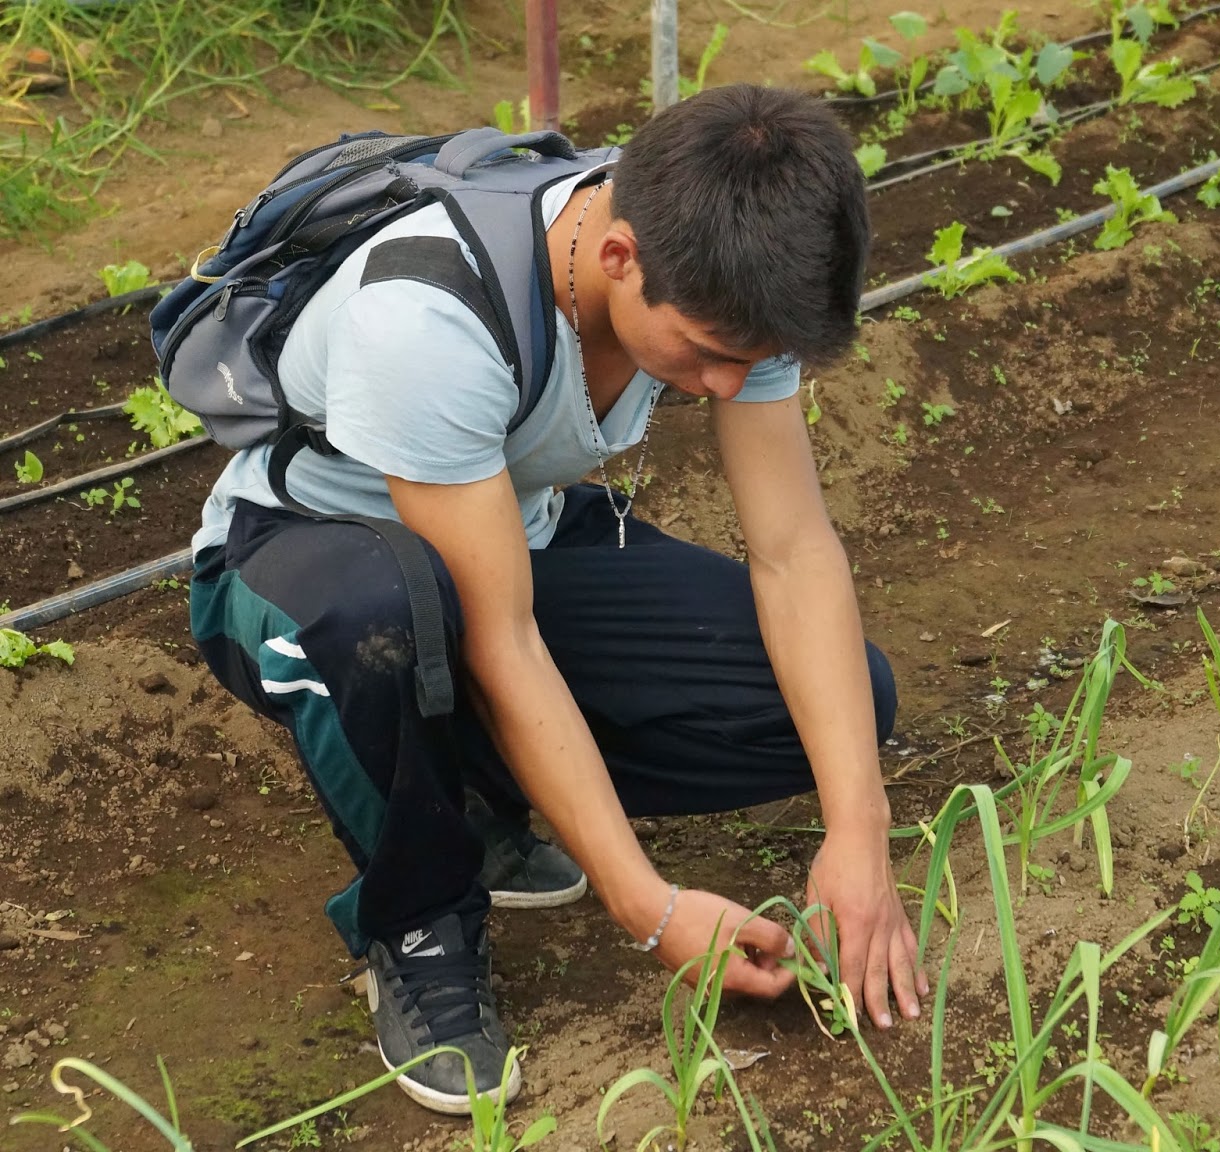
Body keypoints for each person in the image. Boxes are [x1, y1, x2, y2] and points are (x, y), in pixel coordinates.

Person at [185, 83, 928, 1115]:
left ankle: (476, 793)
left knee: (839, 703)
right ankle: (420, 914)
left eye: (752, 365)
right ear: (619, 257)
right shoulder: (428, 317)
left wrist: (859, 829)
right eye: (707, 357)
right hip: (304, 563)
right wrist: (651, 908)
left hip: (503, 542)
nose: (725, 388)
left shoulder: (722, 262)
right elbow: (504, 637)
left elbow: (795, 552)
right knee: (387, 626)